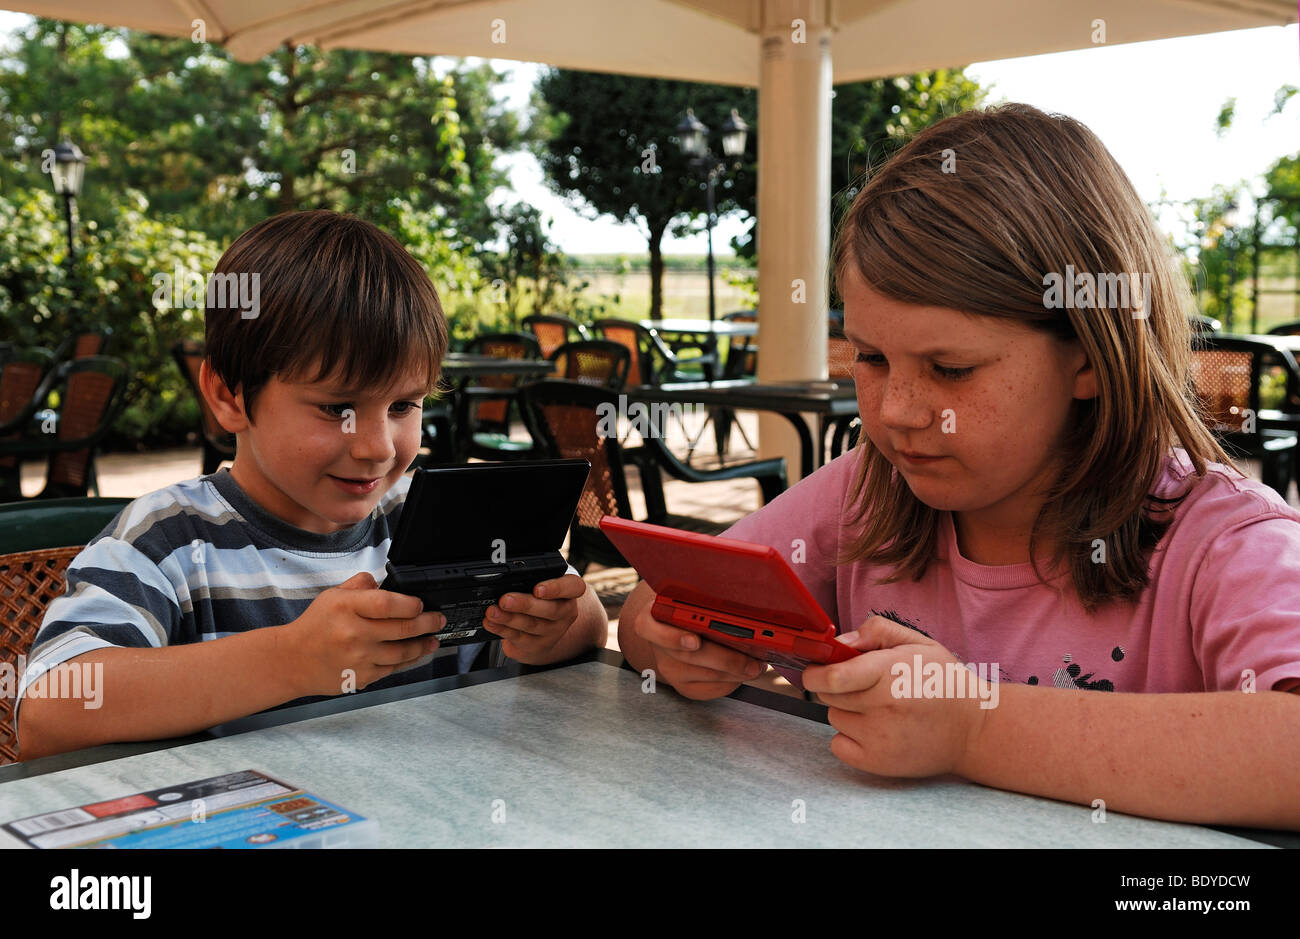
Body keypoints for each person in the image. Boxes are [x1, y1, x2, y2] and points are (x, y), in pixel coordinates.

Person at [619, 103, 1300, 830]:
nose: (898, 411)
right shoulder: (864, 494)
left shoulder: (1221, 542)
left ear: (1090, 356)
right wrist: (670, 646)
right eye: (872, 358)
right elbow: (652, 603)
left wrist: (973, 728)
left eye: (950, 368)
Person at [18, 210, 607, 759]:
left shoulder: (442, 521)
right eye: (336, 408)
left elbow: (588, 625)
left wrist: (547, 630)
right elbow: (50, 709)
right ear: (228, 395)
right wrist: (290, 660)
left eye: (404, 405)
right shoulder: (171, 543)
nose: (377, 446)